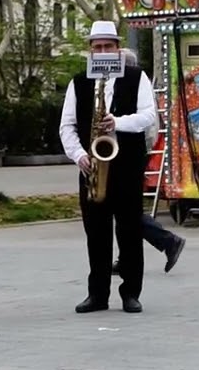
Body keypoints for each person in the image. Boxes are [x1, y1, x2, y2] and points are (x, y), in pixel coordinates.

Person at [59, 20, 158, 314]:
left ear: (117, 49)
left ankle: (130, 293)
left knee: (129, 231)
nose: (102, 52)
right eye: (97, 47)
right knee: (96, 233)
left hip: (126, 163)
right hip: (92, 167)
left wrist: (118, 122)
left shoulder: (136, 76)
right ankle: (97, 294)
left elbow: (149, 116)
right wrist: (79, 156)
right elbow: (67, 125)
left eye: (108, 47)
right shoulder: (78, 82)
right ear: (90, 51)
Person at [111, 49, 186, 275]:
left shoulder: (136, 88)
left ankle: (167, 241)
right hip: (126, 152)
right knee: (122, 209)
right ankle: (127, 257)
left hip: (130, 154)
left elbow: (148, 125)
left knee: (125, 210)